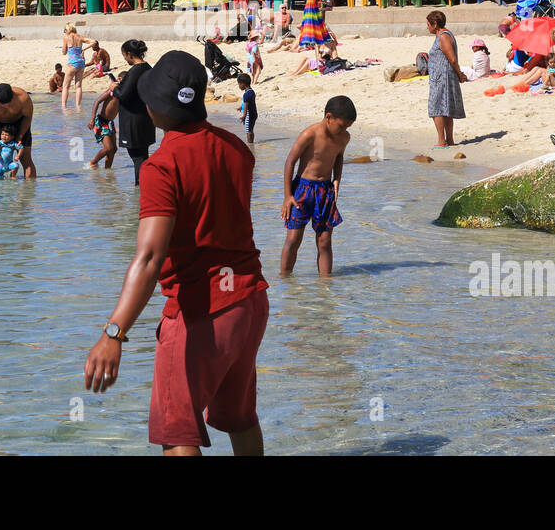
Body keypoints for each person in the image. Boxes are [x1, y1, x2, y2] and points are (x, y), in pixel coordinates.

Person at [83, 51, 269, 456]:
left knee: (177, 432)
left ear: (156, 107)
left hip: (201, 311)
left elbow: (149, 258)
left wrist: (113, 332)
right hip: (250, 302)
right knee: (239, 417)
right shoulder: (237, 148)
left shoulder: (161, 167)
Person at [280, 96, 355, 277]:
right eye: (341, 125)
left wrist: (337, 180)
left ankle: (325, 284)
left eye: (347, 127)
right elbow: (290, 161)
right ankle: (285, 279)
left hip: (325, 191)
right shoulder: (310, 134)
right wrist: (287, 196)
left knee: (324, 240)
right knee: (293, 238)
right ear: (328, 117)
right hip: (302, 190)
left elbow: (339, 158)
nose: (344, 130)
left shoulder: (344, 137)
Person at [111, 40, 156, 184]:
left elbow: (123, 94)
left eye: (124, 55)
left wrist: (114, 88)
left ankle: (141, 189)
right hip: (146, 119)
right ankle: (144, 188)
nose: (124, 58)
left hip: (133, 121)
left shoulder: (134, 71)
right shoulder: (148, 68)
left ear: (129, 54)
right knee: (142, 156)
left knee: (137, 157)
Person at [0, 83, 37, 179]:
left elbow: (28, 117)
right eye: (2, 104)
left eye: (9, 103)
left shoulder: (23, 97)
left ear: (13, 95)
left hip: (20, 123)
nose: (6, 106)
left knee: (25, 159)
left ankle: (29, 192)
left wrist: (20, 135)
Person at [425, 10, 465, 148]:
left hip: (442, 78)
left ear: (435, 24)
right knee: (446, 107)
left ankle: (442, 141)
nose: (427, 27)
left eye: (428, 24)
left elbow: (452, 59)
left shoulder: (443, 37)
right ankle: (449, 140)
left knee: (436, 108)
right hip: (442, 76)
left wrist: (460, 74)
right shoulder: (444, 35)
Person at [88, 83, 120, 169]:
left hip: (110, 123)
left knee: (114, 149)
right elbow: (97, 102)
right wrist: (92, 119)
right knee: (108, 148)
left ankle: (108, 170)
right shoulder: (111, 91)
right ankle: (93, 162)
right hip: (101, 122)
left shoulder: (123, 93)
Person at [60, 24, 93, 109]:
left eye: (65, 30)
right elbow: (94, 42)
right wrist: (84, 49)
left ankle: (64, 107)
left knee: (65, 86)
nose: (65, 32)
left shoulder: (66, 38)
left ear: (68, 30)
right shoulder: (80, 37)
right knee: (78, 86)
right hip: (81, 62)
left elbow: (64, 52)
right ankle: (78, 106)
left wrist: (65, 48)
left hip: (72, 63)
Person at [237, 74, 258, 144]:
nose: (239, 86)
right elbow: (247, 102)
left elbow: (246, 105)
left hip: (249, 115)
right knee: (250, 129)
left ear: (243, 84)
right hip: (254, 113)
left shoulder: (246, 94)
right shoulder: (251, 91)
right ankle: (251, 143)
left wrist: (244, 115)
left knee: (248, 130)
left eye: (239, 84)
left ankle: (250, 144)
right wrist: (241, 107)